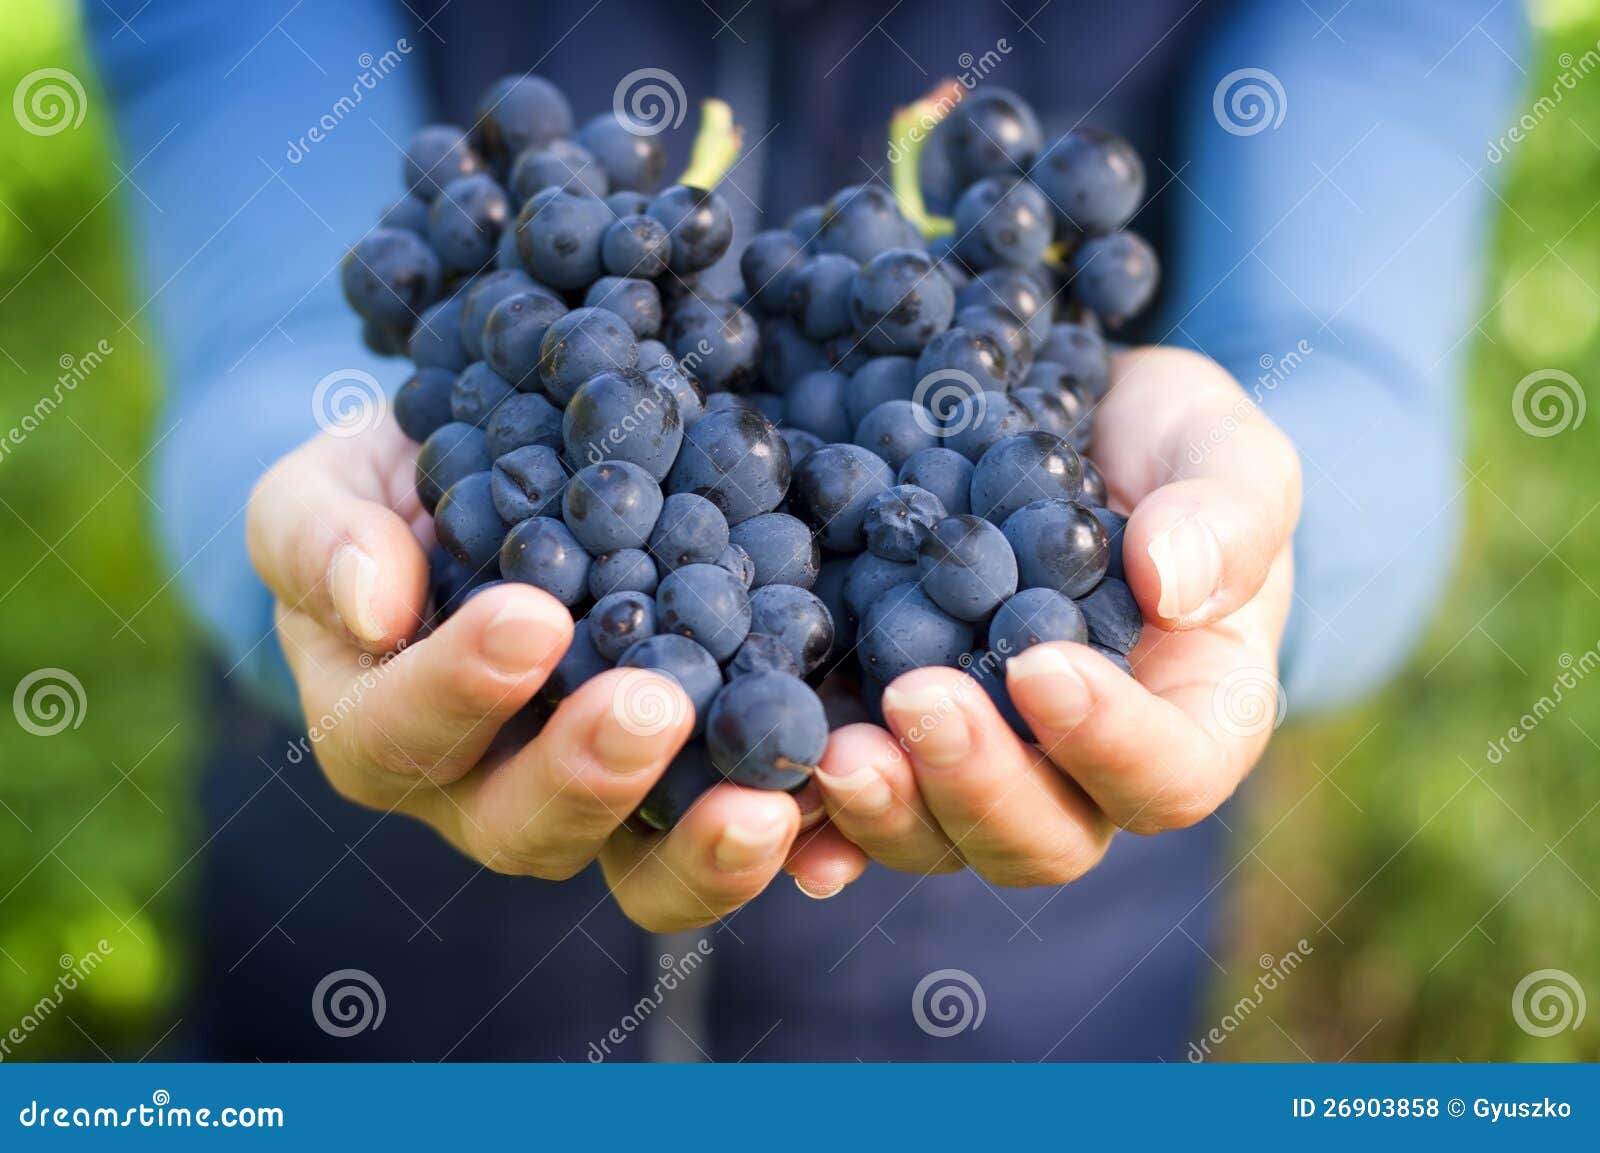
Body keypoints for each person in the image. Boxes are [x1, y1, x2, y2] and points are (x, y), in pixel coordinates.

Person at [86, 0, 1525, 1059]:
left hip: (1034, 957)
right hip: (377, 941)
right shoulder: (560, 441)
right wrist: (289, 462)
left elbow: (1392, 68)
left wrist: (1278, 533)